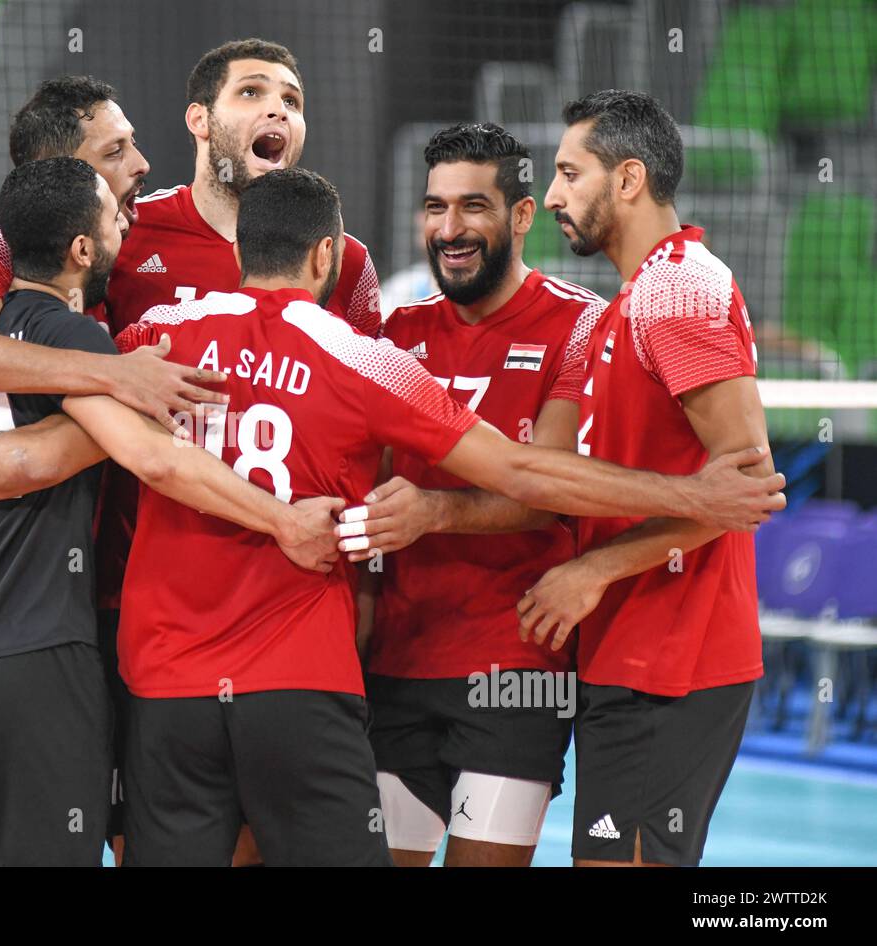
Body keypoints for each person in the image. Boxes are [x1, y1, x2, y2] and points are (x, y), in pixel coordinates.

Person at [109, 167, 784, 866]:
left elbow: (107, 426)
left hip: (165, 686)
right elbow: (522, 471)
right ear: (324, 255)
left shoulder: (151, 341)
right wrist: (690, 495)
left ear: (240, 249)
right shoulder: (369, 358)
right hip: (301, 683)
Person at [0, 157, 341, 865]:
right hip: (34, 654)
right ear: (82, 251)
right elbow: (153, 459)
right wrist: (281, 520)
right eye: (113, 216)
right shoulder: (81, 342)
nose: (128, 219)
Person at [526, 89, 774, 867]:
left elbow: (749, 486)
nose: (555, 197)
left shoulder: (677, 290)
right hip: (631, 651)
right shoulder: (624, 304)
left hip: (674, 658)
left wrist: (594, 568)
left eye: (571, 174)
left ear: (628, 180)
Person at [347, 123, 605, 866]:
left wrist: (434, 513)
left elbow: (553, 485)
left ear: (521, 216)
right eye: (434, 208)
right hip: (398, 659)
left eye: (472, 208)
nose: (449, 230)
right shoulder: (393, 335)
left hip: (515, 670)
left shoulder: (579, 326)